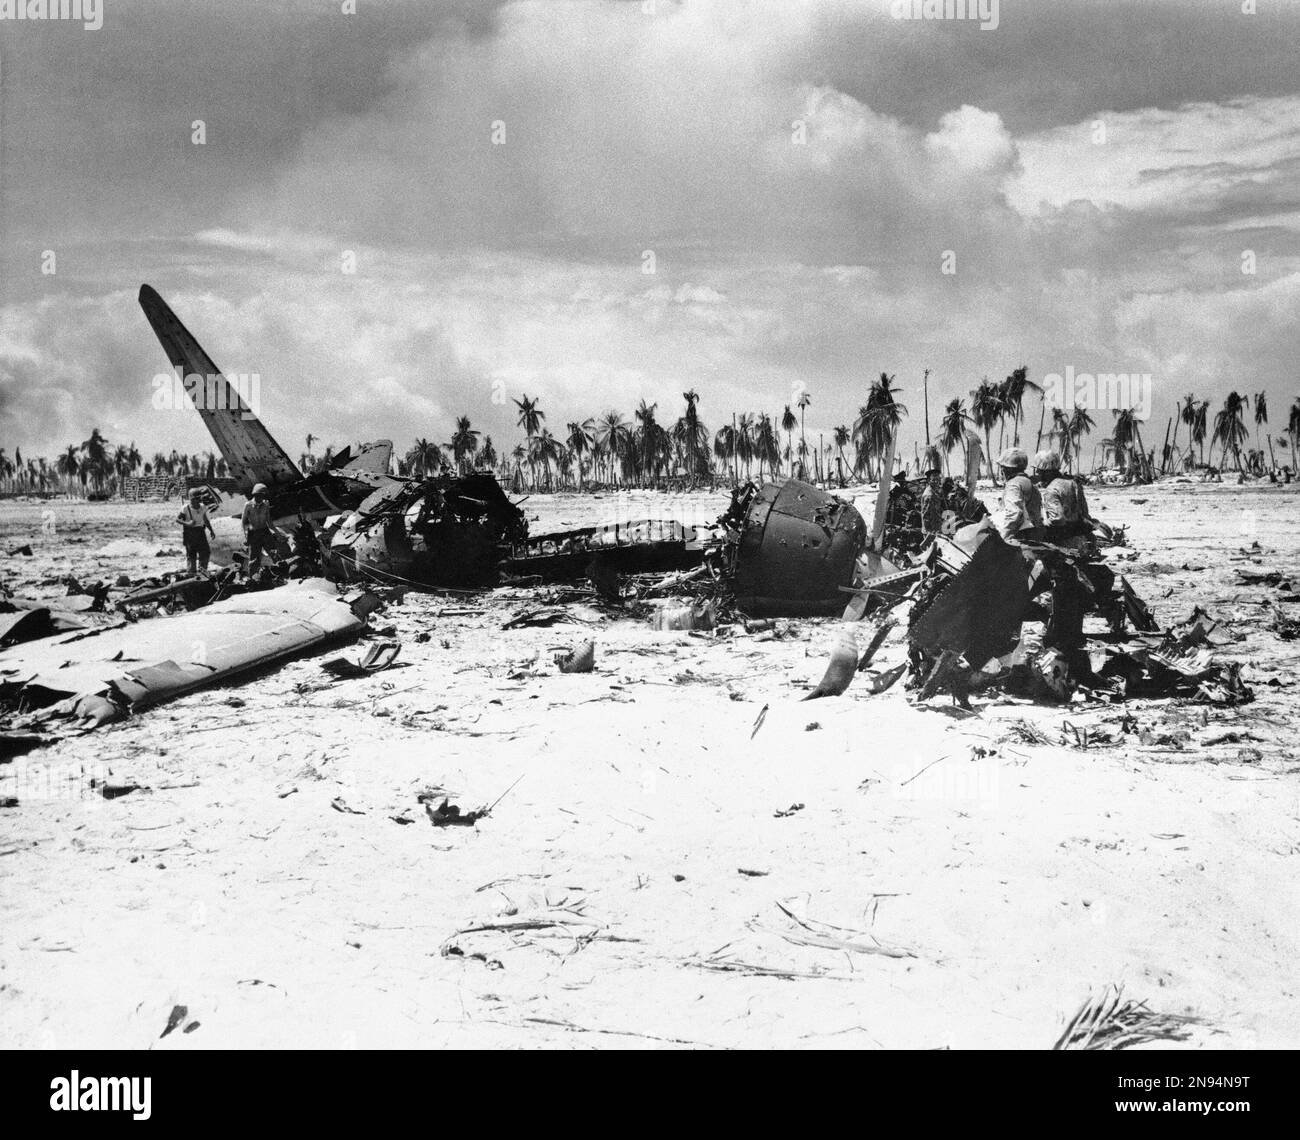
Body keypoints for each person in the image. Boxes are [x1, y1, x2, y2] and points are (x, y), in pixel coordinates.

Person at [993, 447, 1042, 542]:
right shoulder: (1030, 483)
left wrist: (1003, 539)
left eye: (1003, 468)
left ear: (1008, 469)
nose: (1002, 471)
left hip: (1020, 537)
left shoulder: (1013, 484)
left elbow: (1014, 514)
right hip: (1035, 535)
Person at [177, 488, 216, 573]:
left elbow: (205, 519)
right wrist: (188, 523)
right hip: (190, 534)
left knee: (205, 552)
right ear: (190, 499)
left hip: (200, 532)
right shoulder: (185, 508)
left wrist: (211, 530)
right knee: (191, 555)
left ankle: (202, 571)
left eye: (198, 498)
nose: (197, 501)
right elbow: (178, 519)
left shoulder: (202, 507)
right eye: (195, 499)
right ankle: (191, 572)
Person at [241, 483, 275, 577]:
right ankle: (253, 578)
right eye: (259, 495)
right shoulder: (248, 505)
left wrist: (277, 533)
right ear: (255, 495)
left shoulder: (266, 504)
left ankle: (279, 572)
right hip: (254, 534)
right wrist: (245, 536)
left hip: (265, 531)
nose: (261, 497)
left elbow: (269, 522)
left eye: (263, 495)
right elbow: (243, 522)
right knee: (254, 558)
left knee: (273, 552)